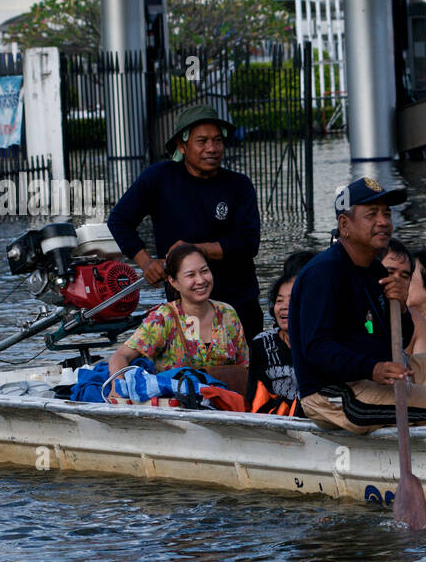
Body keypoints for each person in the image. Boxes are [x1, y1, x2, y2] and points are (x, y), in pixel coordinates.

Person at [288, 178, 426, 434]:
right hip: (332, 393)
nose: (384, 221)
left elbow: (396, 341)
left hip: (379, 375)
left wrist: (401, 307)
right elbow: (317, 348)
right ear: (344, 225)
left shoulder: (374, 270)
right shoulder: (324, 273)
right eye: (372, 214)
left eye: (387, 213)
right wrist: (372, 368)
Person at [106, 104, 264, 341]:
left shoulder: (238, 185)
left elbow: (248, 242)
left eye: (218, 141)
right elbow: (119, 220)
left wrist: (193, 251)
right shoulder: (159, 178)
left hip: (239, 301)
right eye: (202, 141)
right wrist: (146, 262)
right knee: (194, 372)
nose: (212, 148)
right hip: (187, 305)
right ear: (182, 145)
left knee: (247, 371)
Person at [108, 243, 249, 375]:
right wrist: (118, 386)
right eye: (190, 275)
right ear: (173, 281)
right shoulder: (163, 319)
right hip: (179, 400)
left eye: (204, 271)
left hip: (227, 398)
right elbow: (120, 356)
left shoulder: (227, 313)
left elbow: (245, 364)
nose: (200, 280)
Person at [246, 271, 300, 415]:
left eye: (292, 300)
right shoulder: (262, 344)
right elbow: (253, 396)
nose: (284, 306)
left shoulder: (321, 343)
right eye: (279, 300)